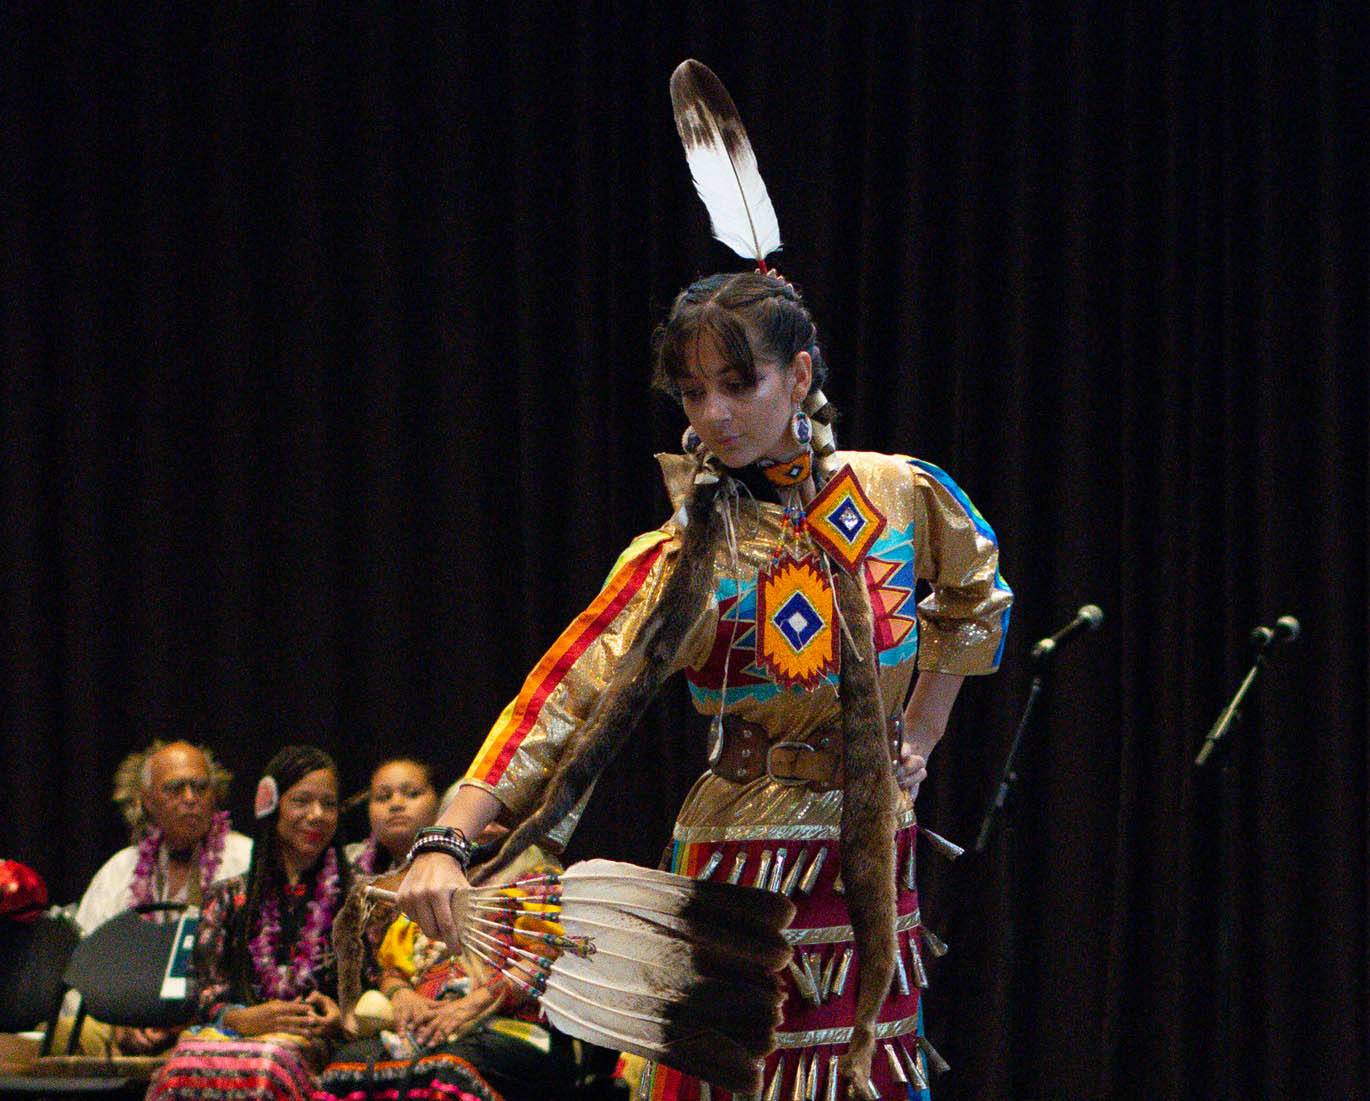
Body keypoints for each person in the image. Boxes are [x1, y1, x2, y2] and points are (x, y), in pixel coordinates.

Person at [398, 271, 1010, 1101]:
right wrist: (447, 839)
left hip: (867, 859)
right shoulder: (682, 555)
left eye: (738, 383)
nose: (715, 413)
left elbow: (976, 592)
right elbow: (563, 698)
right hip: (741, 873)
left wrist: (923, 732)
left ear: (798, 374)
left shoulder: (897, 494)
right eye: (693, 392)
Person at [144, 746, 357, 1101]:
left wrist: (343, 1015)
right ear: (271, 806)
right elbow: (205, 995)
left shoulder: (357, 898)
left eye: (328, 804)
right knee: (182, 1067)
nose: (317, 815)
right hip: (236, 1034)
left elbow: (379, 985)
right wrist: (241, 1019)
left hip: (318, 1044)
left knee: (268, 1065)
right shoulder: (229, 897)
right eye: (301, 801)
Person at [313, 839, 580, 1101]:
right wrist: (402, 995)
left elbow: (549, 959)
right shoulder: (430, 887)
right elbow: (392, 971)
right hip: (428, 1028)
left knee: (449, 1067)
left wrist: (472, 1005)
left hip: (512, 1026)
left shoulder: (538, 884)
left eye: (500, 818)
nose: (488, 827)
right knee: (350, 1062)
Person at [68, 740, 252, 1055]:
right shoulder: (120, 871)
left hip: (214, 1026)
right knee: (66, 1033)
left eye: (200, 787)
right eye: (175, 789)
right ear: (148, 802)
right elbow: (83, 966)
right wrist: (121, 1022)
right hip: (123, 1023)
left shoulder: (246, 860)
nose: (190, 798)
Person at [344, 759, 440, 876]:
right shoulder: (348, 863)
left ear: (438, 803)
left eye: (412, 793)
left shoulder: (458, 861)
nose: (396, 804)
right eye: (383, 797)